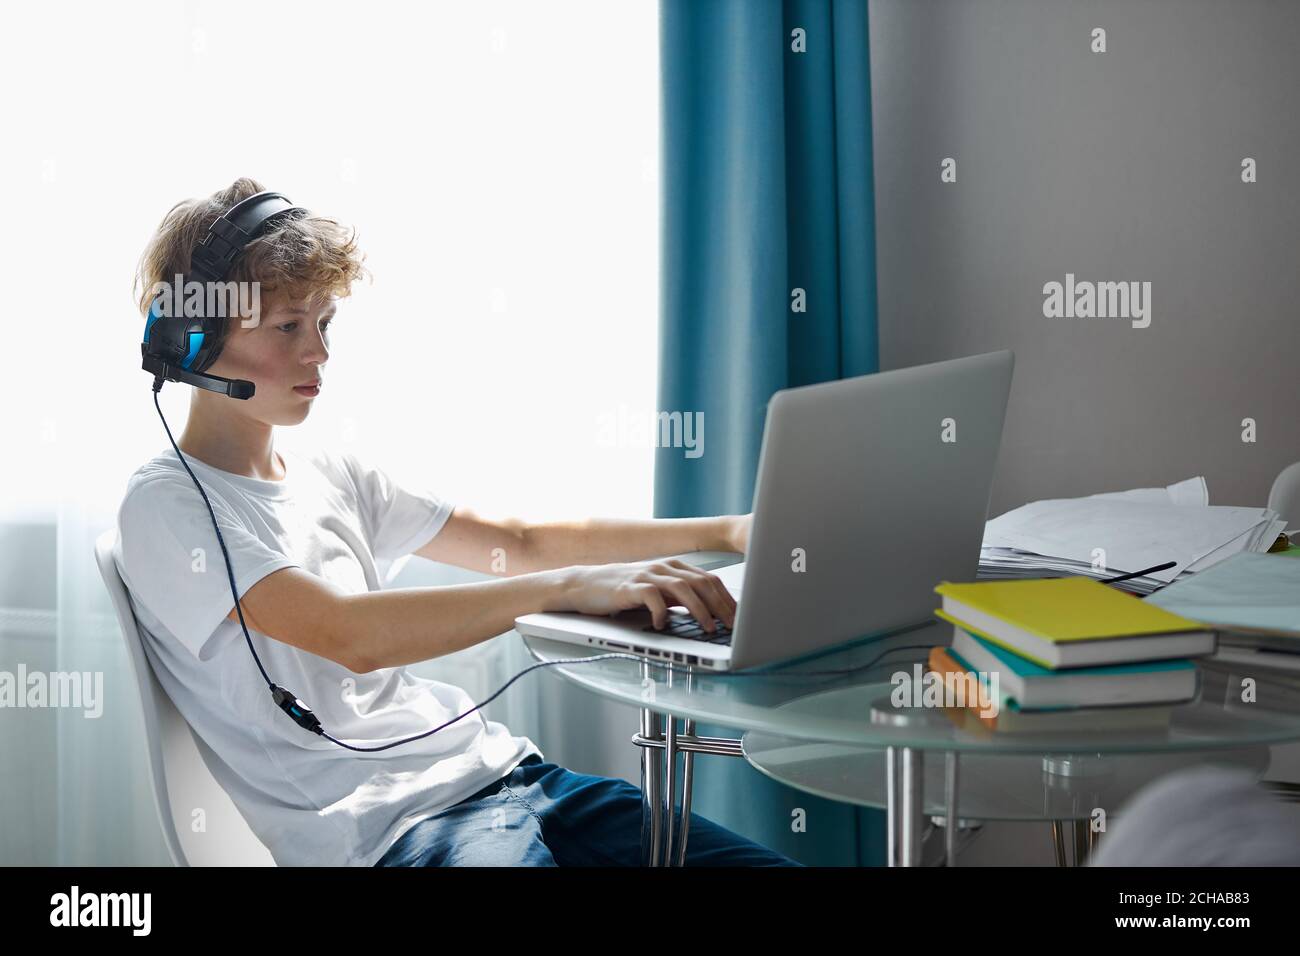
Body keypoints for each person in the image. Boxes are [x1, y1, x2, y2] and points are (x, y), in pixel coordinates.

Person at [115, 177, 797, 867]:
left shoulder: (331, 471)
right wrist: (570, 587)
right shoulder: (165, 506)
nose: (319, 352)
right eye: (291, 326)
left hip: (515, 779)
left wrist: (730, 532)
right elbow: (350, 635)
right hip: (394, 834)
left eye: (324, 324)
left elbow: (518, 544)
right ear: (192, 336)